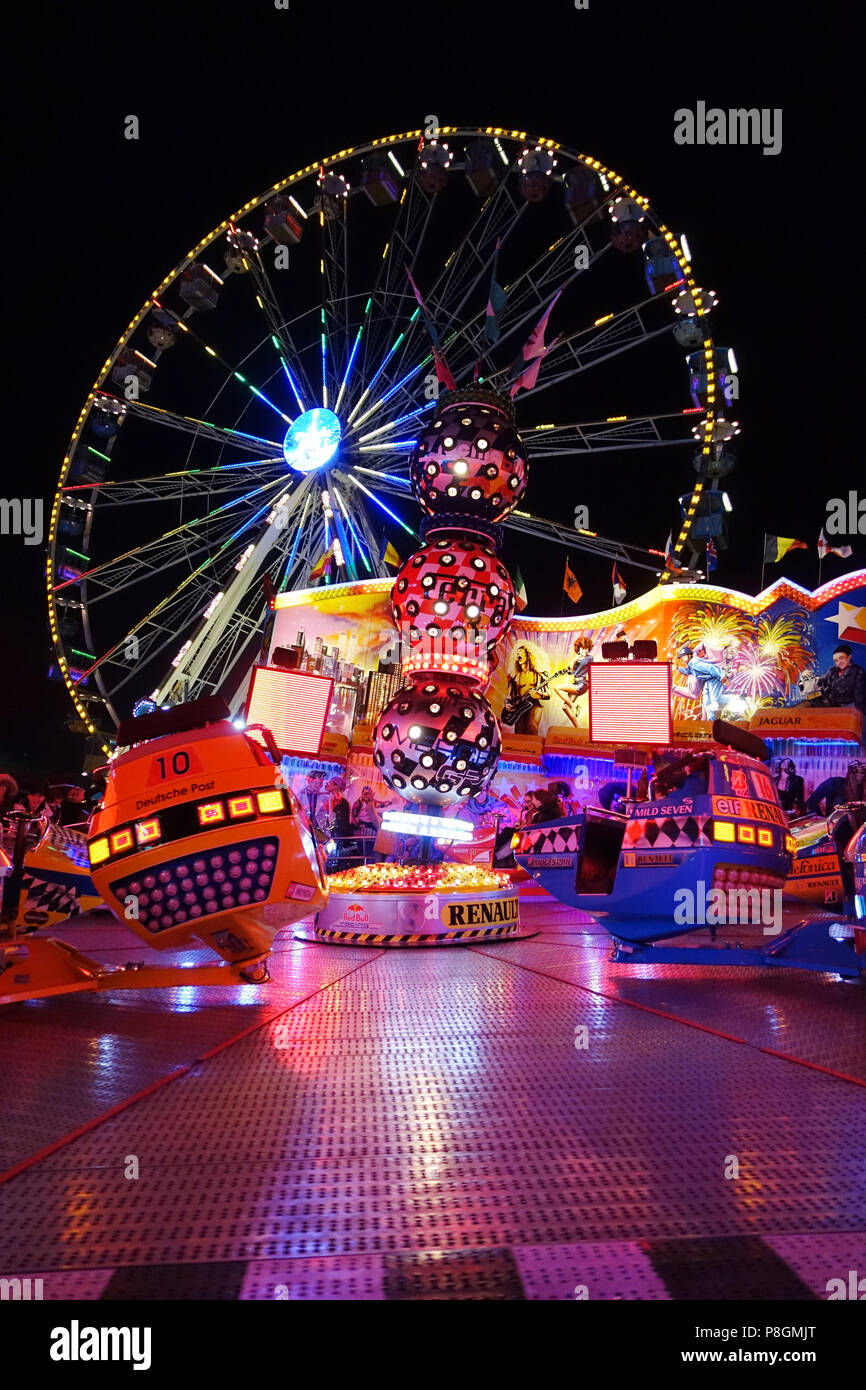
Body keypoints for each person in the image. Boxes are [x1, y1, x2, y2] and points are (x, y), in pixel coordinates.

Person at [502, 645, 549, 735]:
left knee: (532, 727)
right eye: (517, 653)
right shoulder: (515, 676)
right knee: (519, 732)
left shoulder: (538, 675)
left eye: (521, 653)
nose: (518, 655)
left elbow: (548, 694)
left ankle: (534, 749)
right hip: (520, 706)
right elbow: (509, 695)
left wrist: (540, 695)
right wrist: (507, 703)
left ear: (527, 656)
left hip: (534, 704)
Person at [816, 644, 866, 715]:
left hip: (850, 708)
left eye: (841, 658)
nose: (839, 662)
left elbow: (860, 697)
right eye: (836, 660)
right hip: (832, 706)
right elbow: (821, 680)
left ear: (849, 657)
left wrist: (858, 715)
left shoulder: (857, 671)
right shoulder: (833, 670)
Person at [557, 637, 593, 728]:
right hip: (576, 683)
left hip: (582, 684)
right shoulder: (576, 659)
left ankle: (573, 706)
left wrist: (579, 658)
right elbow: (571, 672)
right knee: (565, 707)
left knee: (557, 688)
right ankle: (579, 727)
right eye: (582, 648)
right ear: (578, 649)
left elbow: (587, 665)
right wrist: (573, 661)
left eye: (586, 648)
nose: (585, 651)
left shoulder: (589, 658)